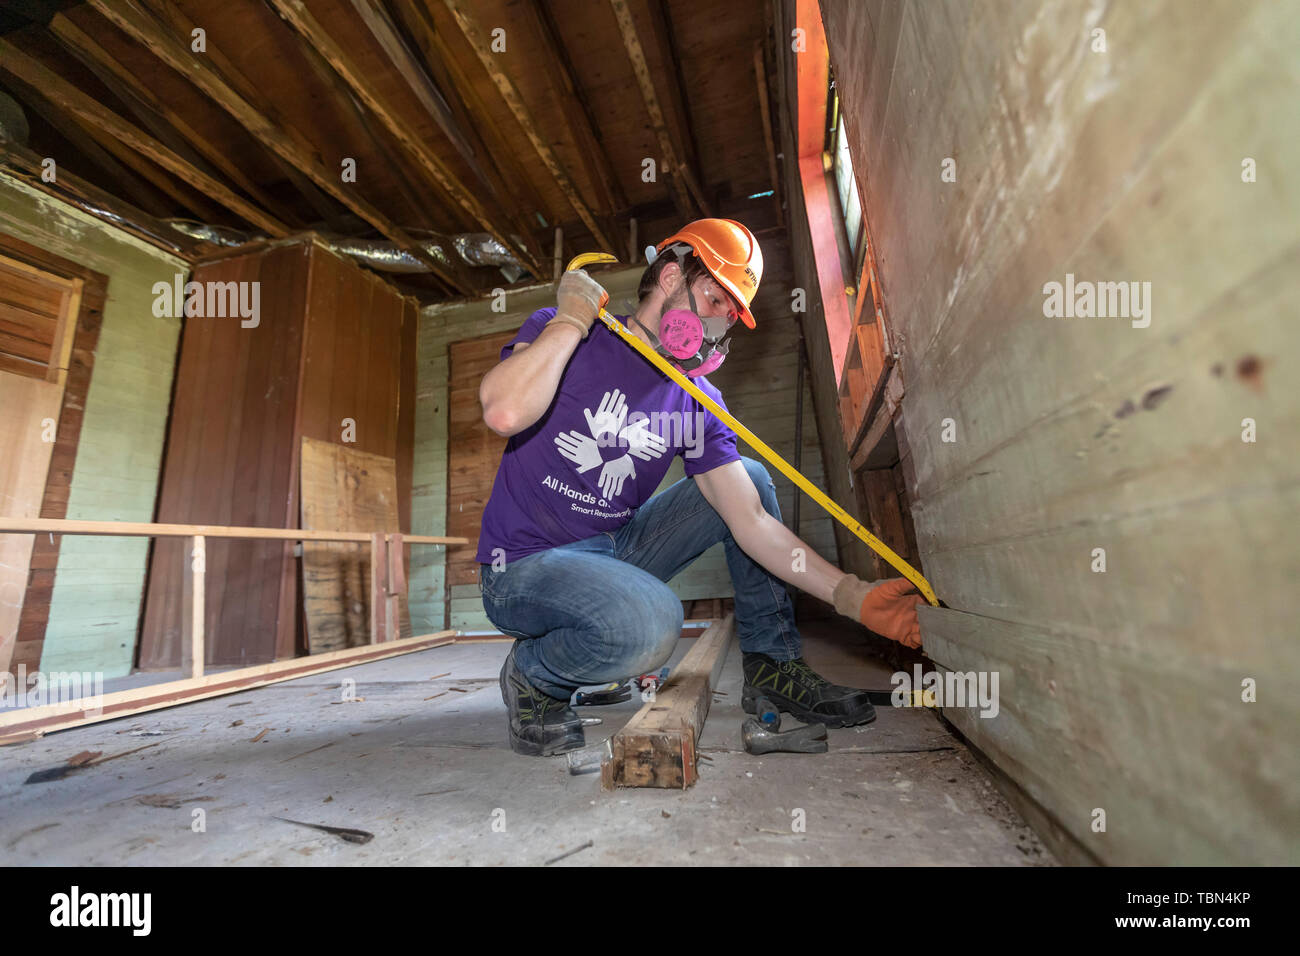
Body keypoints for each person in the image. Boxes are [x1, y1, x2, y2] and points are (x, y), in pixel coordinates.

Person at [476, 218, 924, 756]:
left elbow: (751, 522)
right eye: (714, 301)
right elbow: (504, 411)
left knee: (751, 482)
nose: (718, 327)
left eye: (730, 316)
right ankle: (534, 674)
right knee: (652, 624)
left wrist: (853, 596)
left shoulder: (697, 400)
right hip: (523, 566)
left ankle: (774, 664)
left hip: (612, 552)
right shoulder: (570, 332)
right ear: (670, 277)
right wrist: (571, 320)